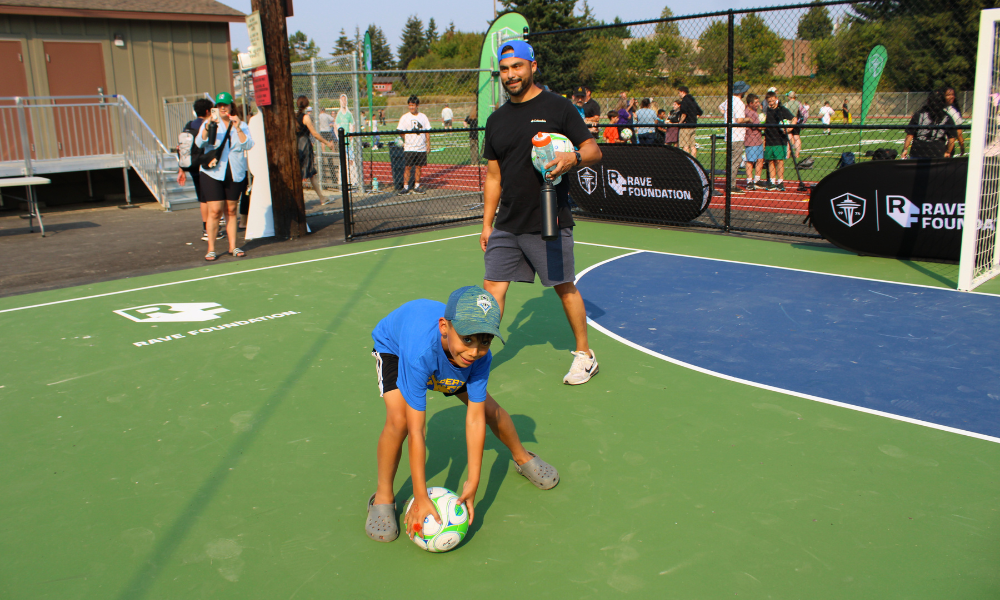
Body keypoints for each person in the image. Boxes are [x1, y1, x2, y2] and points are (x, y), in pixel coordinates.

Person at [365, 285, 559, 543]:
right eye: (467, 338)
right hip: (397, 350)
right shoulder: (419, 352)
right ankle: (383, 496)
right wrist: (420, 496)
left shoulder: (478, 357)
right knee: (400, 421)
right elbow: (417, 430)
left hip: (445, 357)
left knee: (490, 409)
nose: (474, 351)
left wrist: (473, 479)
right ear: (445, 327)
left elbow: (476, 418)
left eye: (485, 341)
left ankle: (522, 458)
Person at [481, 40, 603, 385]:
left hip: (548, 218)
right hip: (507, 222)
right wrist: (487, 224)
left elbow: (593, 150)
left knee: (564, 287)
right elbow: (494, 176)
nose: (510, 75)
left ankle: (585, 354)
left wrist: (573, 158)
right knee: (492, 288)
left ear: (533, 66)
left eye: (517, 67)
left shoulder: (558, 107)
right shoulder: (496, 120)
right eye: (504, 69)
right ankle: (480, 355)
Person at [195, 91, 253, 260]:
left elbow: (248, 144)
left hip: (234, 171)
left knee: (231, 209)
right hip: (213, 171)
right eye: (219, 105)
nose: (222, 108)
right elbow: (199, 142)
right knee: (214, 210)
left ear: (230, 106)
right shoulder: (210, 122)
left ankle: (233, 246)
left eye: (225, 105)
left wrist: (238, 128)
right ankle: (211, 248)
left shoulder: (240, 124)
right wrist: (208, 126)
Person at [176, 97, 215, 240]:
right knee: (211, 198)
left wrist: (181, 170)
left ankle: (206, 229)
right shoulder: (208, 125)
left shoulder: (189, 125)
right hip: (206, 165)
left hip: (191, 164)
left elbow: (182, 148)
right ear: (207, 111)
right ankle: (211, 228)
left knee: (202, 198)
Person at [295, 96, 335, 205]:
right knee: (309, 172)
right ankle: (321, 198)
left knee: (307, 173)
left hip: (296, 145)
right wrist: (327, 142)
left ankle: (321, 197)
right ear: (307, 105)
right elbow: (315, 134)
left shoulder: (294, 116)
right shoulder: (306, 117)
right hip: (304, 145)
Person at [901, 91, 956, 159]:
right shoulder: (947, 117)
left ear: (928, 101)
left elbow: (910, 134)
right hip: (937, 151)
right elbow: (951, 138)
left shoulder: (919, 114)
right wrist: (948, 152)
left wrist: (905, 149)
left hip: (918, 150)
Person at [718, 80, 750, 194]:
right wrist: (749, 119)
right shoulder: (739, 103)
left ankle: (730, 183)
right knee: (736, 161)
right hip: (737, 135)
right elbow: (739, 120)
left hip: (729, 133)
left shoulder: (728, 100)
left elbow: (720, 107)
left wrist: (727, 116)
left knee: (732, 160)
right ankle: (731, 185)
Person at [398, 95, 431, 194]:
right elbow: (399, 130)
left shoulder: (423, 116)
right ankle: (406, 186)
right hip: (409, 147)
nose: (411, 107)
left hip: (421, 147)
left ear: (417, 106)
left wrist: (428, 143)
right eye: (410, 105)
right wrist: (406, 138)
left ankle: (417, 185)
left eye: (413, 105)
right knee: (408, 167)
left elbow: (427, 131)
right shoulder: (405, 117)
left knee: (418, 167)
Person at [762, 91, 794, 191]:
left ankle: (780, 182)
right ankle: (772, 182)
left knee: (779, 161)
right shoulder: (766, 110)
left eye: (772, 100)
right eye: (769, 101)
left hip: (780, 140)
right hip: (769, 139)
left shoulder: (782, 109)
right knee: (770, 161)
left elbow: (794, 118)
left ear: (776, 98)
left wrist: (789, 128)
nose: (771, 103)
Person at [743, 93, 764, 190]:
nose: (758, 104)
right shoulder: (748, 112)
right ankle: (749, 181)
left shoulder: (755, 112)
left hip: (758, 139)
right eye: (755, 102)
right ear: (750, 103)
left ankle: (757, 180)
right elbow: (758, 126)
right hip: (751, 139)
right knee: (750, 161)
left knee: (760, 159)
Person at [677, 85, 702, 157]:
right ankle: (693, 160)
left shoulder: (685, 100)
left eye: (679, 93)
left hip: (686, 125)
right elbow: (699, 112)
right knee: (692, 145)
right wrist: (693, 118)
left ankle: (687, 160)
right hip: (693, 124)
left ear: (682, 92)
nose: (679, 95)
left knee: (685, 145)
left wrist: (680, 122)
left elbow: (684, 113)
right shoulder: (692, 100)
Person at [943, 87, 966, 156]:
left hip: (946, 146)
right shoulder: (937, 109)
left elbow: (959, 133)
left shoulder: (954, 112)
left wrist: (962, 146)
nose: (951, 97)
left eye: (952, 94)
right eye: (948, 95)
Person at [784, 91, 803, 160]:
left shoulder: (786, 104)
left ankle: (788, 154)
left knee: (789, 138)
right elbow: (803, 113)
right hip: (797, 122)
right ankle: (797, 154)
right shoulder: (799, 104)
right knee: (797, 138)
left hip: (789, 122)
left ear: (789, 97)